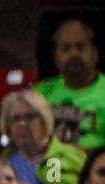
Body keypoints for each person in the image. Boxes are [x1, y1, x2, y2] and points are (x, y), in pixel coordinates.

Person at [0, 88, 86, 184]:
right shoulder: (5, 160)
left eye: (29, 117)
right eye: (15, 119)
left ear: (44, 119)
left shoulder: (55, 158)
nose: (22, 124)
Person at [35, 19, 105, 152]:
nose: (73, 54)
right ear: (56, 56)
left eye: (80, 46)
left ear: (95, 53)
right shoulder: (40, 93)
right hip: (49, 168)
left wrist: (76, 154)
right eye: (65, 48)